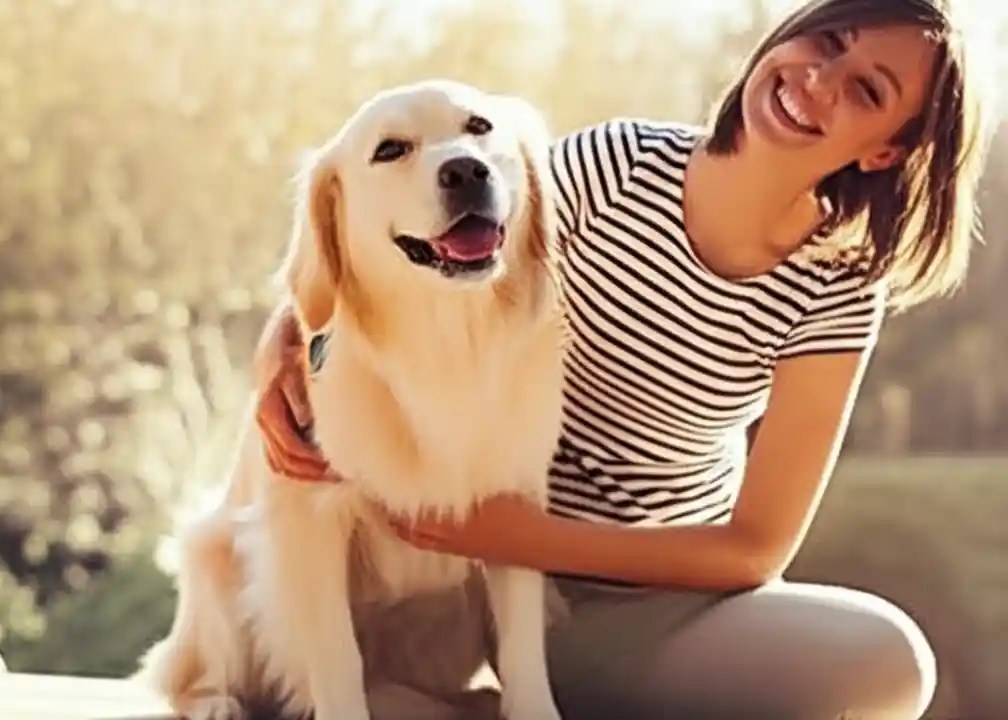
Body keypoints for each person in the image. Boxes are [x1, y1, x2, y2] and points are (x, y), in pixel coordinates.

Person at [251, 0, 991, 717]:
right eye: (828, 42)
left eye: (867, 90)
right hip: (514, 594)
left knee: (891, 663)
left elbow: (755, 550)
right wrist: (280, 347)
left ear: (884, 151)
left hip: (672, 601)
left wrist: (518, 536)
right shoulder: (618, 165)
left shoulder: (838, 287)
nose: (821, 80)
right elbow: (412, 240)